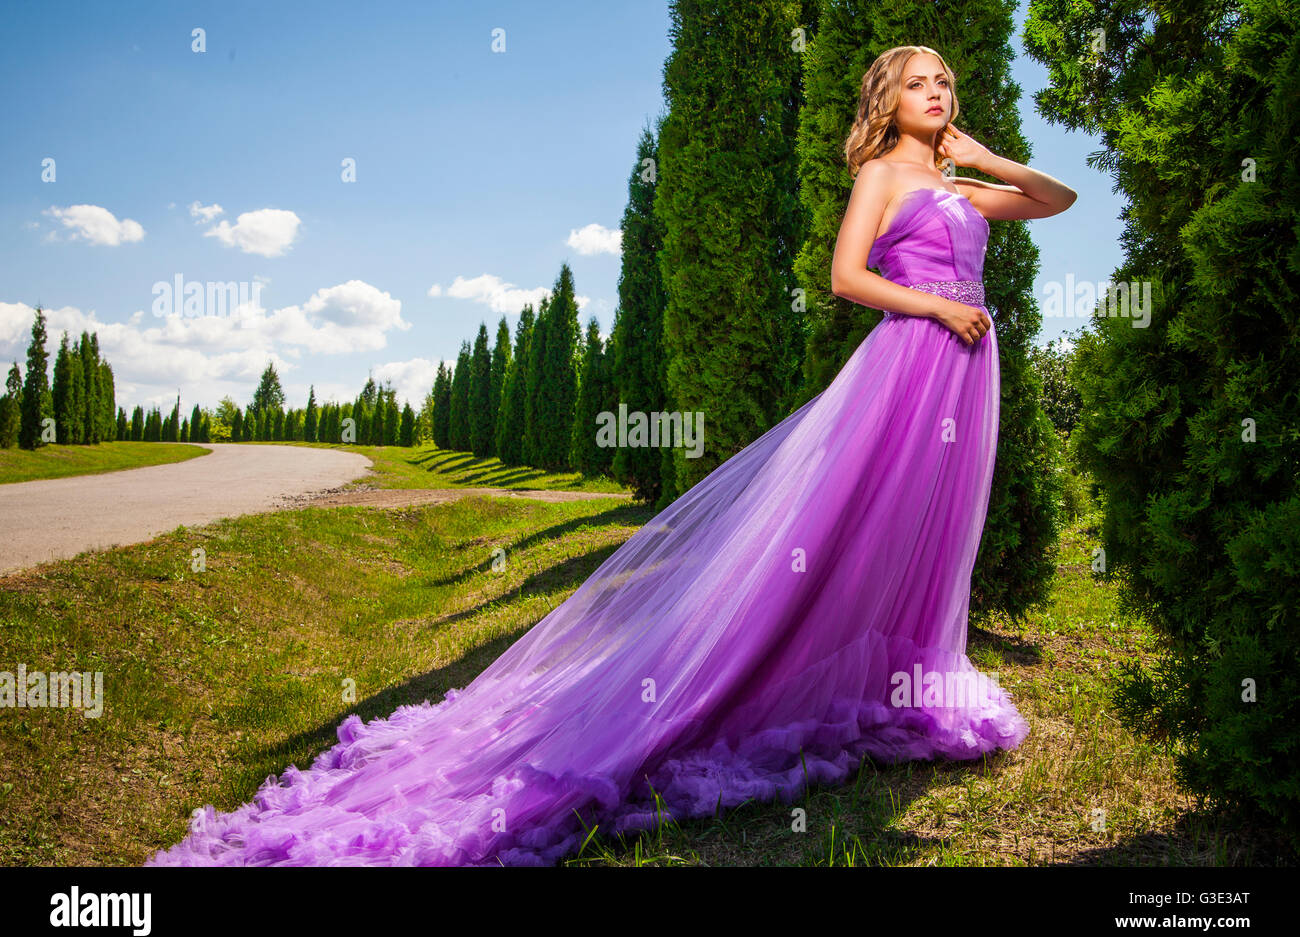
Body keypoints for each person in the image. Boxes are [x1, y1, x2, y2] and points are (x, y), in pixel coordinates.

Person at [147, 45, 1074, 867]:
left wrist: (986, 160)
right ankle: (766, 672)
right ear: (886, 99)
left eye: (945, 81)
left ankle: (893, 675)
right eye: (918, 83)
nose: (937, 91)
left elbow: (1055, 199)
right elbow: (846, 276)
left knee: (926, 530)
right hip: (910, 362)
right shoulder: (881, 175)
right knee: (850, 520)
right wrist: (938, 308)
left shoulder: (959, 187)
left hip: (965, 373)